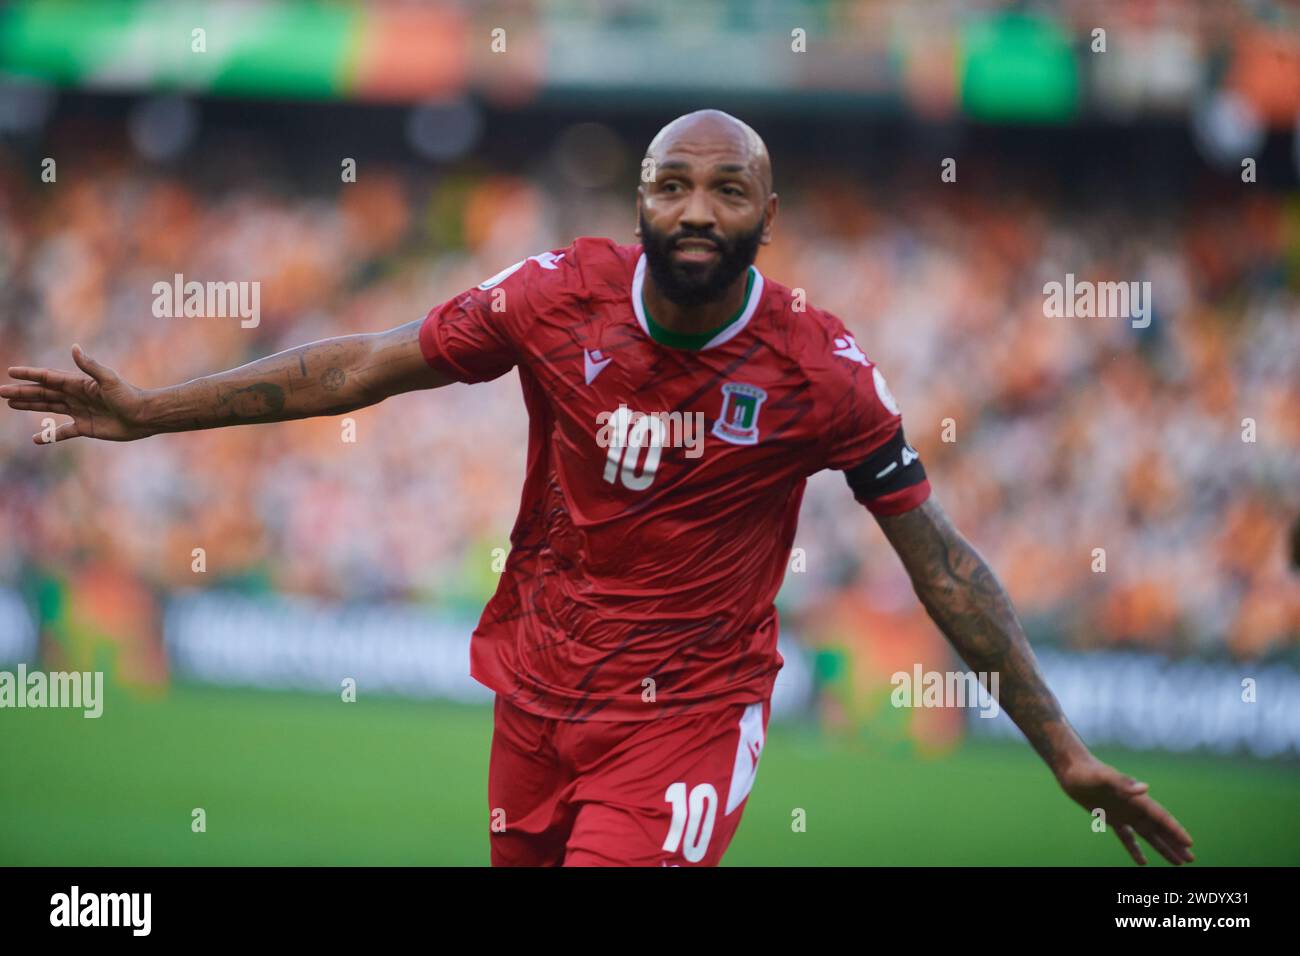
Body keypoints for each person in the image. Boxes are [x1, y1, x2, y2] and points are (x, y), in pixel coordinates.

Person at [2, 110, 1194, 867]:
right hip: (538, 693)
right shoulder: (553, 295)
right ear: (639, 199)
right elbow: (358, 367)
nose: (695, 210)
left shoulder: (818, 371)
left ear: (767, 215)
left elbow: (940, 560)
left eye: (727, 190)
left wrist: (1063, 750)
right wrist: (150, 410)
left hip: (684, 711)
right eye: (673, 185)